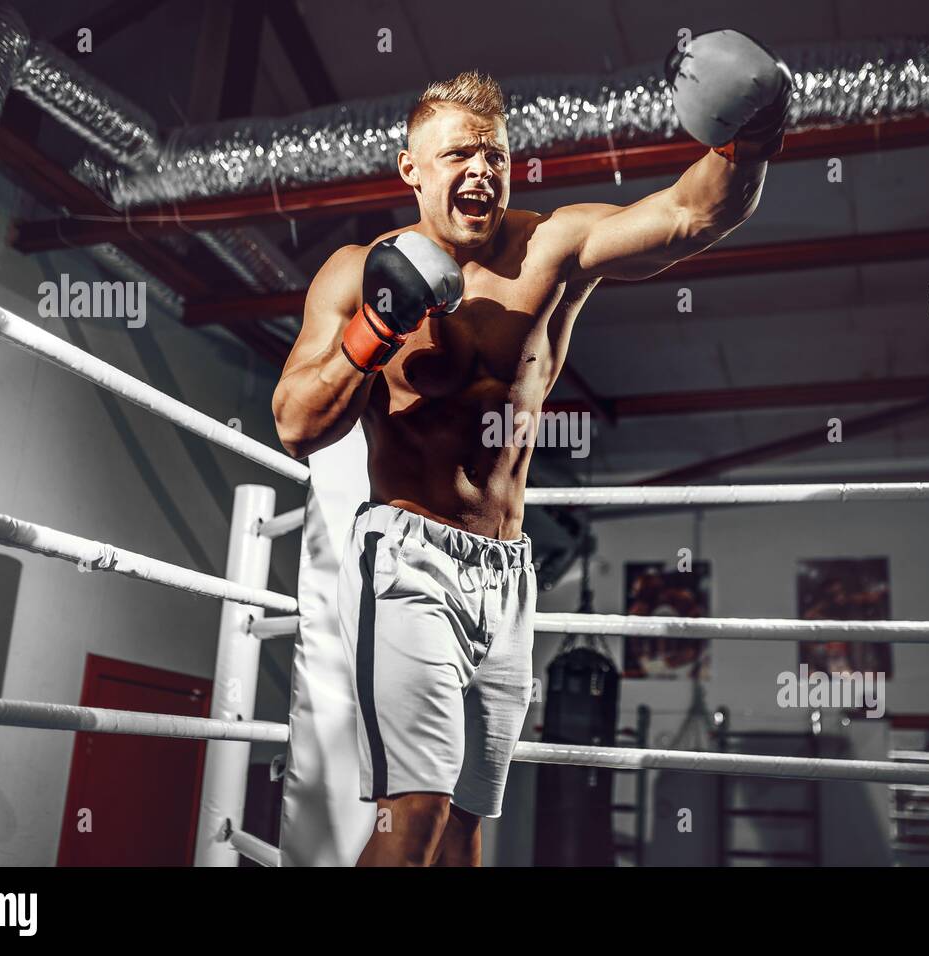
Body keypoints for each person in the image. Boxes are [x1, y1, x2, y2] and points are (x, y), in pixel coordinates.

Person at [272, 30, 793, 866]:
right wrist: (377, 326)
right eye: (456, 157)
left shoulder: (552, 248)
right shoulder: (351, 271)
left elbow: (694, 214)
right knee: (413, 812)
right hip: (407, 559)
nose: (479, 172)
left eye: (494, 156)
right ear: (411, 169)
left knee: (468, 819)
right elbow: (297, 424)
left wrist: (754, 135)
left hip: (507, 572)